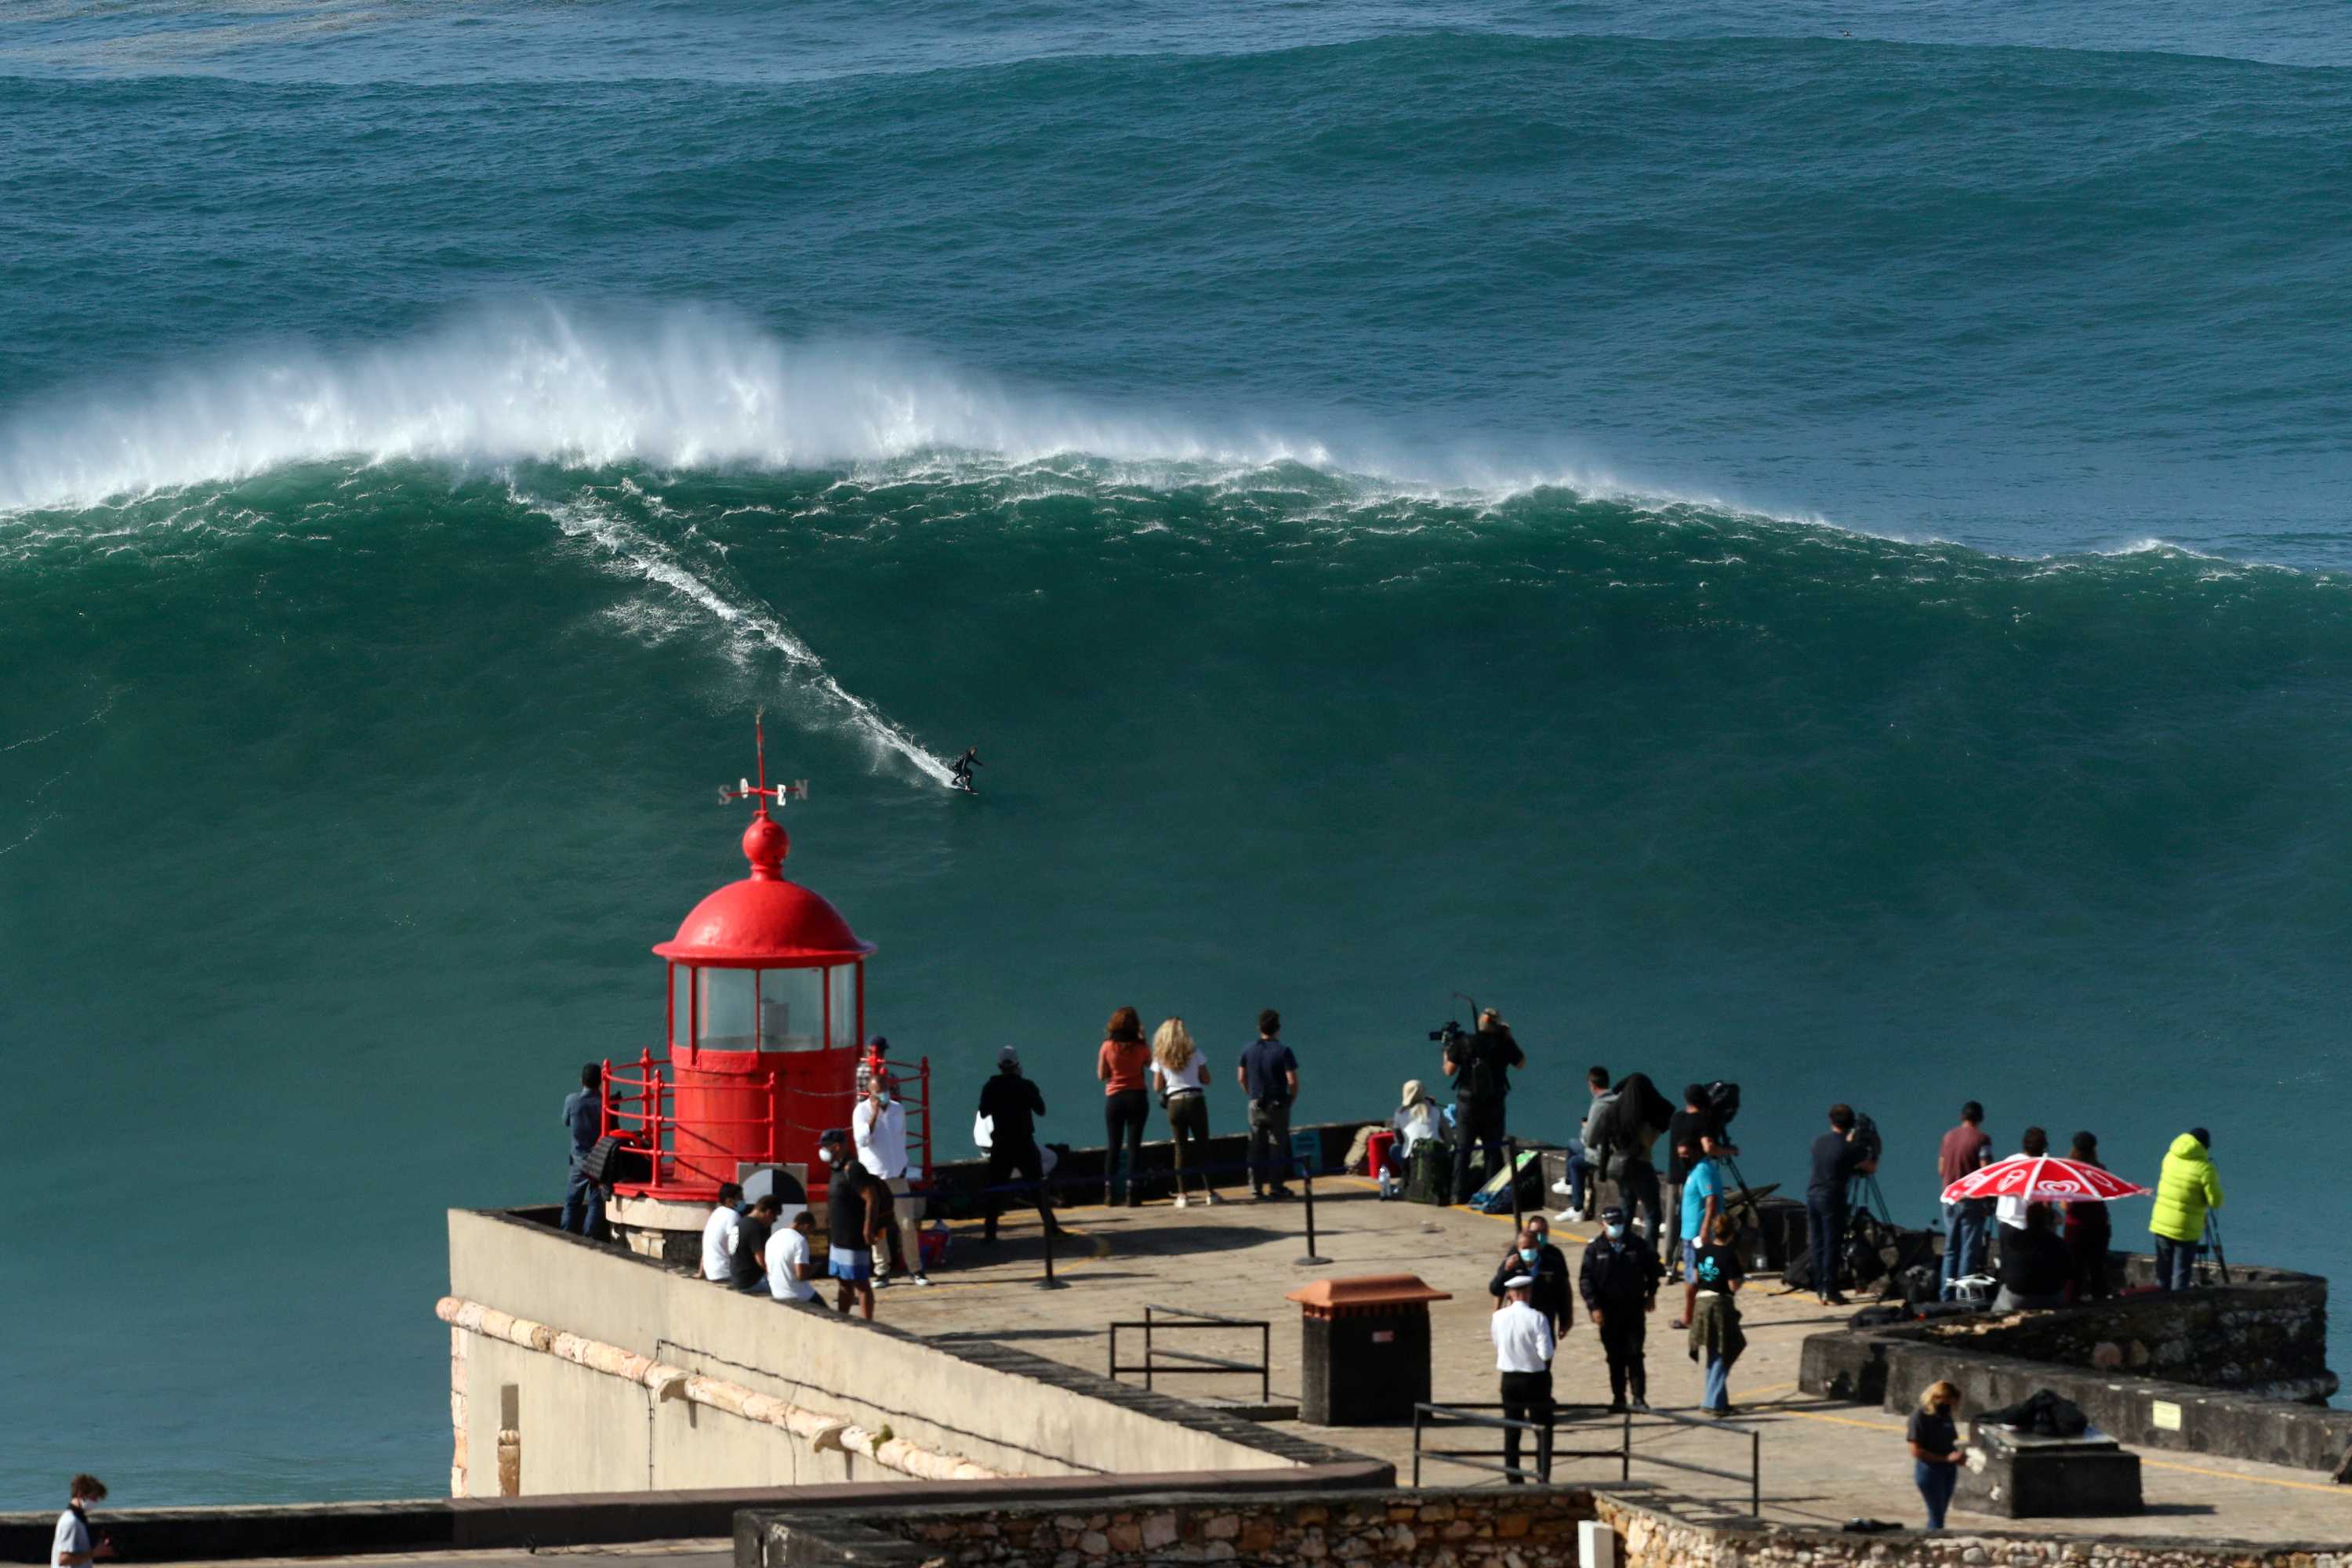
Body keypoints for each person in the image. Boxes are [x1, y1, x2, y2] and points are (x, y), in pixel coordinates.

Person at [1581, 1204, 1662, 1413]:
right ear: (1603, 1224)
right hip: (1608, 1311)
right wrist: (1594, 1307)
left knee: (1635, 1354)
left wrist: (1651, 1294)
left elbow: (1653, 1270)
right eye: (1611, 1224)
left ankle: (1639, 1398)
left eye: (1619, 1223)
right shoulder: (1594, 1249)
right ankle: (1618, 1398)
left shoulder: (1637, 1245)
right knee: (1615, 1357)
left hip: (1634, 1309)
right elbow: (1586, 1281)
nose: (1616, 1227)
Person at [853, 1067, 930, 1285]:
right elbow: (862, 1140)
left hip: (897, 1175)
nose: (885, 1094)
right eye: (880, 1092)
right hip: (875, 1178)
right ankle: (881, 1270)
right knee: (879, 1227)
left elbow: (898, 1140)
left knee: (907, 1224)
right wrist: (875, 1115)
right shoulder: (861, 1111)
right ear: (871, 1093)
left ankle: (916, 1269)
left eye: (887, 1090)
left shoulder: (898, 1109)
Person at [978, 1046, 1062, 1243]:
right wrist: (1025, 1086)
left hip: (1001, 1144)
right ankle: (1052, 1228)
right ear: (1017, 1065)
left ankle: (990, 1234)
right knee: (1037, 1187)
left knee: (995, 1190)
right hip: (1024, 1143)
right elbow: (1041, 1110)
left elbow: (983, 1112)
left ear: (999, 1066)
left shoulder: (991, 1087)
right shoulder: (1026, 1086)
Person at [1446, 1008, 1526, 1204]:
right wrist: (1509, 1037)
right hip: (1494, 1103)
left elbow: (1449, 1071)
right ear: (1497, 1026)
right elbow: (1521, 1063)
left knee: (1463, 1149)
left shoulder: (1463, 1043)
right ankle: (1489, 1194)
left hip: (1467, 1103)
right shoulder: (1503, 1044)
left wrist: (1447, 1050)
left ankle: (1457, 1194)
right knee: (1492, 1148)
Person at [1490, 1273, 1556, 1483]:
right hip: (1535, 1378)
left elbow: (1497, 1343)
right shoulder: (1537, 1317)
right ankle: (1542, 1476)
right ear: (1528, 1293)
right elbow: (1546, 1354)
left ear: (1510, 1294)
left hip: (1509, 1379)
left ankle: (1513, 1477)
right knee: (1542, 1429)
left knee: (1512, 1429)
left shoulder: (1498, 1317)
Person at [1806, 1105, 1875, 1307]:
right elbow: (1870, 1167)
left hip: (1812, 1194)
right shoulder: (1850, 1147)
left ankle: (1821, 1289)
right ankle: (1831, 1291)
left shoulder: (1818, 1142)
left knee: (1817, 1243)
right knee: (1832, 1245)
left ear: (1831, 1120)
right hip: (1832, 1197)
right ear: (1851, 1123)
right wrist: (1872, 1147)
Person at [1664, 1083, 1734, 1279]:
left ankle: (1671, 1261)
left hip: (1674, 1176)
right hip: (1694, 1177)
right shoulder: (1704, 1119)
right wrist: (1730, 1150)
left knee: (1674, 1221)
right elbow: (1709, 1147)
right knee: (1695, 1218)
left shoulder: (1677, 1118)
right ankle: (1702, 1263)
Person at [1151, 1017, 1219, 1207]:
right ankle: (1211, 1192)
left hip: (1174, 1102)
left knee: (1180, 1149)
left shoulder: (1161, 1056)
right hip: (1195, 1100)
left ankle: (1183, 1195)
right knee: (1203, 1146)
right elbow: (1206, 1079)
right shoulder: (1194, 1052)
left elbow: (1157, 1086)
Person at [1686, 1210, 1746, 1417]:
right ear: (1732, 1233)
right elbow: (1733, 1285)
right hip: (1720, 1305)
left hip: (1702, 1303)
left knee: (1715, 1349)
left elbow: (1695, 1277)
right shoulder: (1730, 1254)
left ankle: (1720, 1399)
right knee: (1729, 1347)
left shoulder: (1702, 1251)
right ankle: (1712, 1401)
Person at [1236, 1009, 1299, 1200]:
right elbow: (1292, 1081)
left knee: (1255, 1145)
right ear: (1278, 1029)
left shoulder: (1248, 1050)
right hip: (1278, 1104)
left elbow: (1241, 1077)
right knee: (1277, 1146)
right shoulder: (1284, 1051)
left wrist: (1251, 1095)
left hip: (1256, 1104)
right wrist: (1291, 1099)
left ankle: (1255, 1187)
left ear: (1259, 1028)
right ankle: (1276, 1186)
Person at [2150, 1128, 2223, 1291]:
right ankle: (2176, 1310)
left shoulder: (2169, 1157)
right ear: (2205, 1146)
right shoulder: (2205, 1168)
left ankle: (2158, 1307)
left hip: (2161, 1222)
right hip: (2186, 1228)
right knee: (2181, 1274)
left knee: (2162, 1273)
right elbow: (2215, 1201)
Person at [1937, 1101, 1993, 1300]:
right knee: (1969, 1248)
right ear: (1980, 1118)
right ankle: (1963, 1296)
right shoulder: (1982, 1139)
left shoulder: (1948, 1137)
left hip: (1949, 1197)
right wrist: (1988, 1199)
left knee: (1951, 1247)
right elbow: (1985, 1169)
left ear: (1962, 1117)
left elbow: (1941, 1169)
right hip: (1971, 1198)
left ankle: (1946, 1294)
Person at [1098, 1006, 1153, 1207]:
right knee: (1134, 1147)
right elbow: (1151, 1063)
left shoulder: (1107, 1046)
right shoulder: (1140, 1047)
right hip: (1137, 1096)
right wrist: (1143, 1039)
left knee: (1113, 1146)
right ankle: (1133, 1193)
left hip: (1115, 1098)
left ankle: (1110, 1193)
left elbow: (1101, 1075)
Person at [1486, 1222, 1573, 1341]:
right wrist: (1506, 1270)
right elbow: (1495, 1289)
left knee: (1545, 1355)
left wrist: (1566, 1319)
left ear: (1538, 1247)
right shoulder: (1512, 1264)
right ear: (1518, 1249)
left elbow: (1562, 1293)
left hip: (1544, 1318)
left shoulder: (1551, 1263)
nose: (1528, 1251)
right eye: (1525, 1248)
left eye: (1531, 1247)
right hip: (1518, 1323)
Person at [1672, 1132, 1723, 1330]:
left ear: (1695, 1152)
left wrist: (1704, 1230)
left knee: (1693, 1279)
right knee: (1703, 1277)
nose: (1682, 1159)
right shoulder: (1697, 1169)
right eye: (1680, 1155)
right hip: (1691, 1233)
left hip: (1697, 1235)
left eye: (1685, 1154)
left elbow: (1711, 1199)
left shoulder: (1702, 1170)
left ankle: (1688, 1317)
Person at [826, 1142, 884, 1320]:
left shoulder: (854, 1168)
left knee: (861, 1284)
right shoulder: (836, 1169)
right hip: (838, 1238)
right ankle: (843, 1319)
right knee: (843, 1282)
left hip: (854, 1237)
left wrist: (868, 1228)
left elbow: (871, 1199)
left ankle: (869, 1324)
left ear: (836, 1146)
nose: (821, 1150)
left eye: (824, 1146)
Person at [2062, 1130, 2114, 1302]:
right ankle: (2100, 1306)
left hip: (2075, 1227)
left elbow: (2064, 1205)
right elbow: (2106, 1196)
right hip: (2099, 1225)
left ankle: (2070, 1306)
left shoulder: (2068, 1171)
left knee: (2073, 1273)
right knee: (2097, 1270)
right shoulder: (2100, 1170)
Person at [1908, 1382, 1966, 1530]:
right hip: (1931, 1470)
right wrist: (1945, 1459)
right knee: (1936, 1515)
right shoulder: (1920, 1416)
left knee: (1940, 1512)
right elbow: (1916, 1450)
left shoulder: (1945, 1415)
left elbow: (1949, 1441)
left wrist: (1958, 1456)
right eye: (1948, 1402)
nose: (1950, 1407)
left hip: (1948, 1470)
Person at [1994, 1202, 2072, 1310]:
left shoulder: (2014, 1240)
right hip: (2049, 1297)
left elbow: (2006, 1269)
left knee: (1998, 1305)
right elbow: (2068, 1271)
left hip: (2017, 1296)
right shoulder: (2058, 1242)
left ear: (2027, 1219)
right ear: (2046, 1220)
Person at [561, 1062, 607, 1239]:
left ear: (582, 1081)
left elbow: (565, 1121)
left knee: (572, 1203)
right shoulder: (604, 1104)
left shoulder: (572, 1100)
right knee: (595, 1204)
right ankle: (590, 1239)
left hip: (578, 1160)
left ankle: (566, 1235)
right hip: (598, 1162)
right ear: (601, 1081)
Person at [1559, 1066, 1612, 1220]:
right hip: (1613, 1149)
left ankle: (1575, 1203)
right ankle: (1571, 1190)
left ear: (1592, 1085)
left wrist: (1585, 1128)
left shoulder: (1599, 1105)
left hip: (1602, 1153)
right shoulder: (1616, 1100)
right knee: (1574, 1157)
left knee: (1573, 1157)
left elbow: (1589, 1140)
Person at [1994, 1126, 2049, 1240]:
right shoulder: (2040, 1167)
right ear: (2043, 1147)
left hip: (2004, 1221)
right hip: (2024, 1225)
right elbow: (2046, 1202)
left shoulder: (2009, 1161)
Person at [765, 1203, 821, 1305]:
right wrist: (814, 1269)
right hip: (797, 1295)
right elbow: (801, 1276)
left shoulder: (774, 1237)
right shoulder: (799, 1241)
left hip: (776, 1292)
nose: (809, 1235)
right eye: (810, 1231)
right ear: (807, 1226)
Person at [728, 1192, 783, 1294]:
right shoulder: (756, 1228)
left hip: (737, 1279)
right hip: (751, 1282)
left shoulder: (741, 1223)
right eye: (774, 1218)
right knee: (787, 1290)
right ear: (768, 1212)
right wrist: (775, 1274)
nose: (773, 1221)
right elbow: (761, 1260)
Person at [52, 1476, 109, 1568]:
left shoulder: (78, 1520)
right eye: (94, 1497)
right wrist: (95, 1553)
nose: (96, 1502)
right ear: (80, 1494)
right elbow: (64, 1559)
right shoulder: (70, 1522)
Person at [699, 1181, 746, 1283]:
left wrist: (701, 1272)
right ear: (729, 1200)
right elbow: (734, 1245)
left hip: (711, 1272)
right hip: (724, 1273)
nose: (743, 1201)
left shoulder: (716, 1213)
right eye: (740, 1198)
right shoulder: (733, 1215)